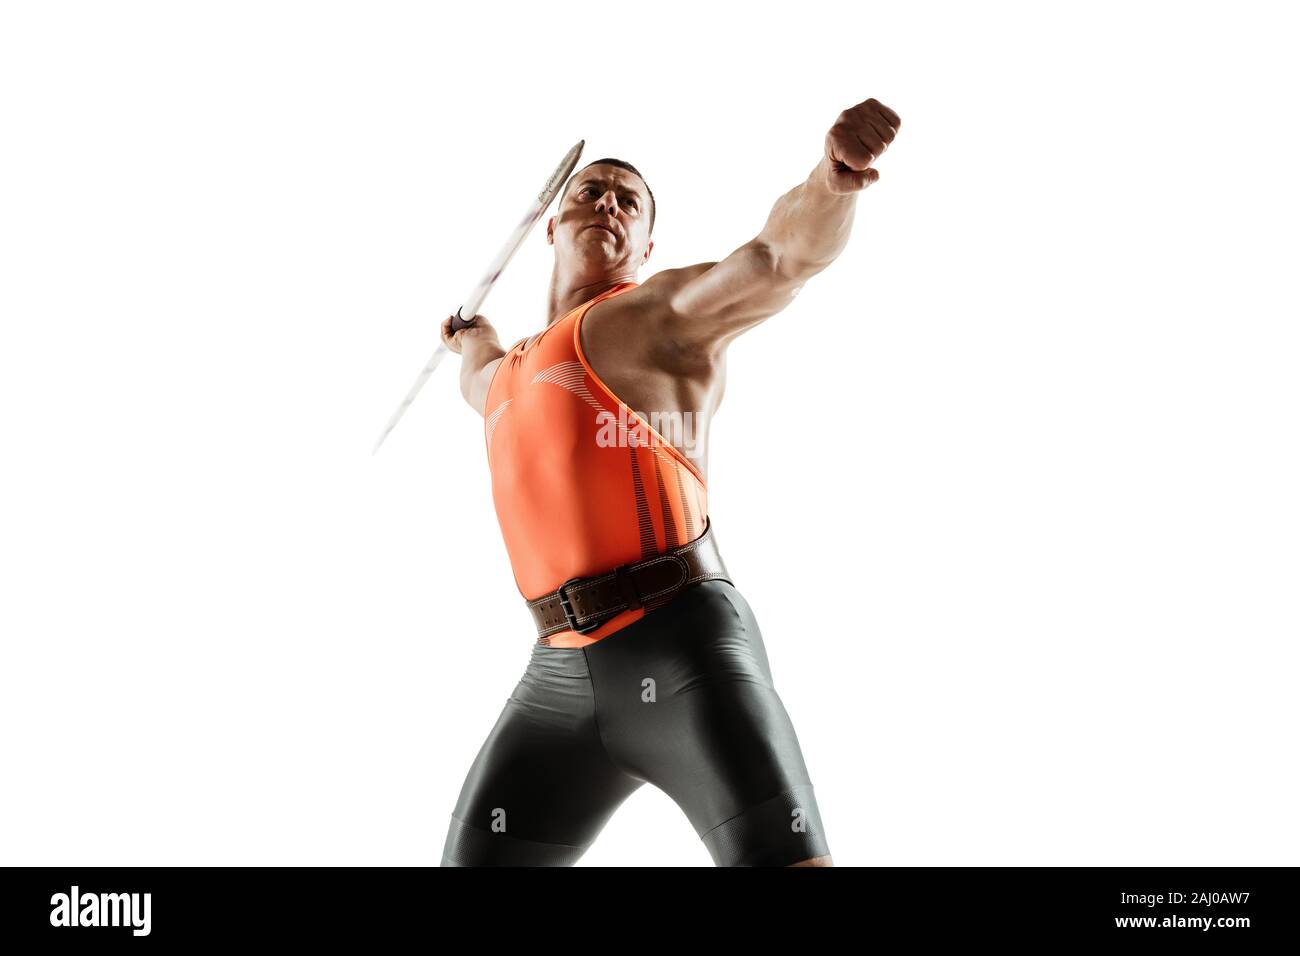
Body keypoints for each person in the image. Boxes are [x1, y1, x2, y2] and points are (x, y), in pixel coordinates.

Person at [437, 97, 901, 866]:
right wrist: (471, 339)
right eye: (590, 191)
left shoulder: (653, 318)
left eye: (629, 201)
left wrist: (831, 182)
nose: (608, 204)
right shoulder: (505, 374)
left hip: (682, 649)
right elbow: (477, 374)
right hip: (556, 677)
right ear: (550, 228)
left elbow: (775, 261)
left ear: (647, 246)